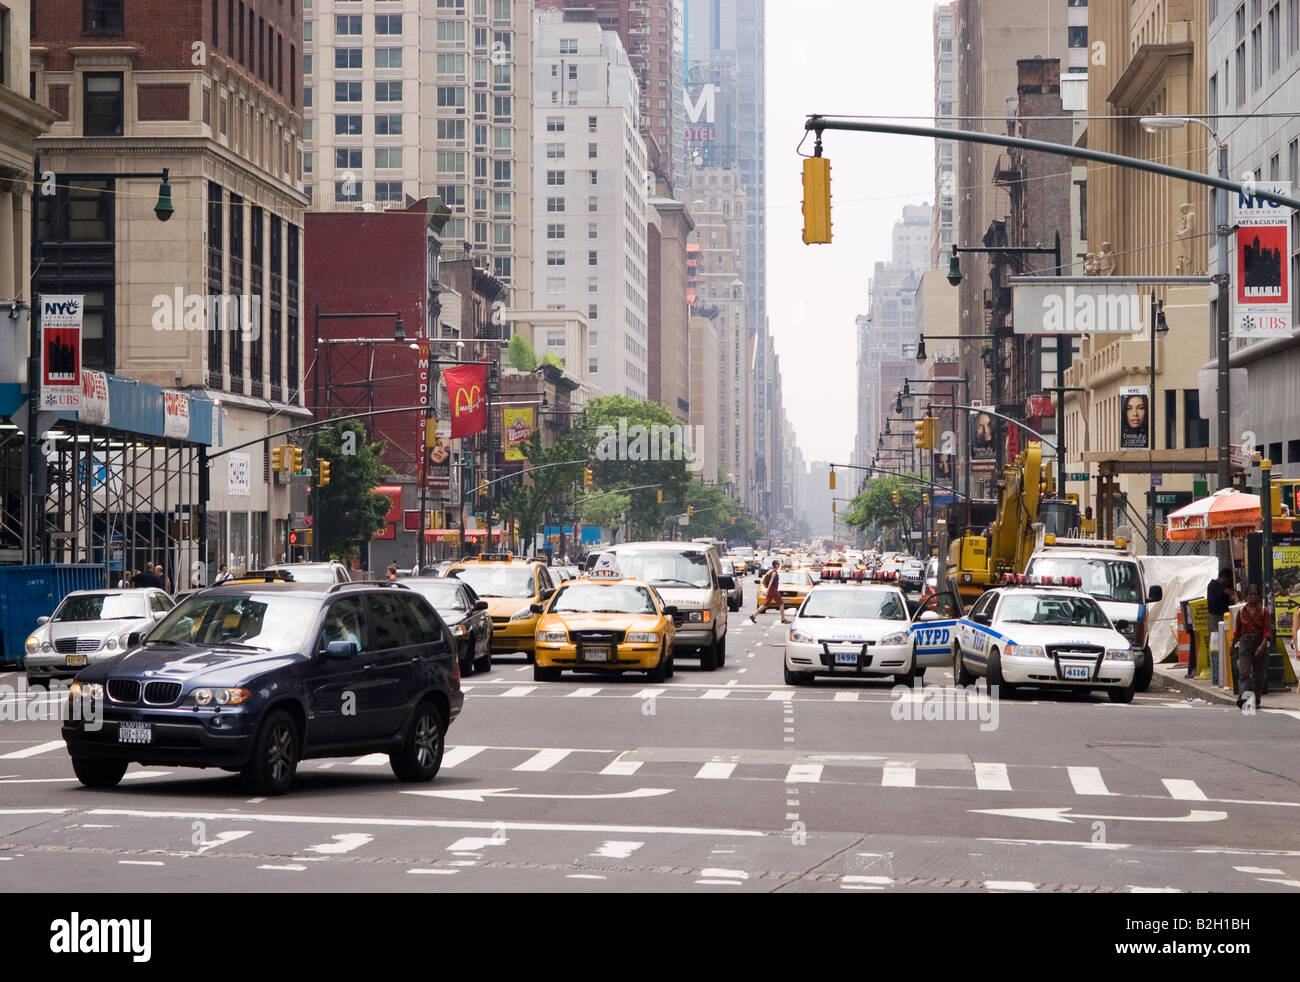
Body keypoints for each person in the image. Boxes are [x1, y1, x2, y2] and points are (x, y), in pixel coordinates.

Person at [1234, 584, 1273, 710]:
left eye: (1255, 594)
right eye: (1250, 594)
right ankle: (1243, 697)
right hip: (1245, 643)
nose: (1253, 597)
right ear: (1246, 596)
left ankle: (1256, 699)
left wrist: (1262, 647)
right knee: (1244, 672)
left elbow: (1267, 632)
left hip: (1259, 642)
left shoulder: (1264, 611)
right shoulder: (1241, 612)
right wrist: (1231, 645)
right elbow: (1238, 632)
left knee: (1259, 675)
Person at [749, 559, 789, 625]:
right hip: (773, 590)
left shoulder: (771, 570)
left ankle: (753, 615)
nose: (779, 565)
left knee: (765, 605)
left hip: (771, 590)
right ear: (776, 565)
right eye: (778, 564)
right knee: (781, 603)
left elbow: (765, 576)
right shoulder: (774, 572)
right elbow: (771, 581)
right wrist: (767, 590)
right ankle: (783, 619)